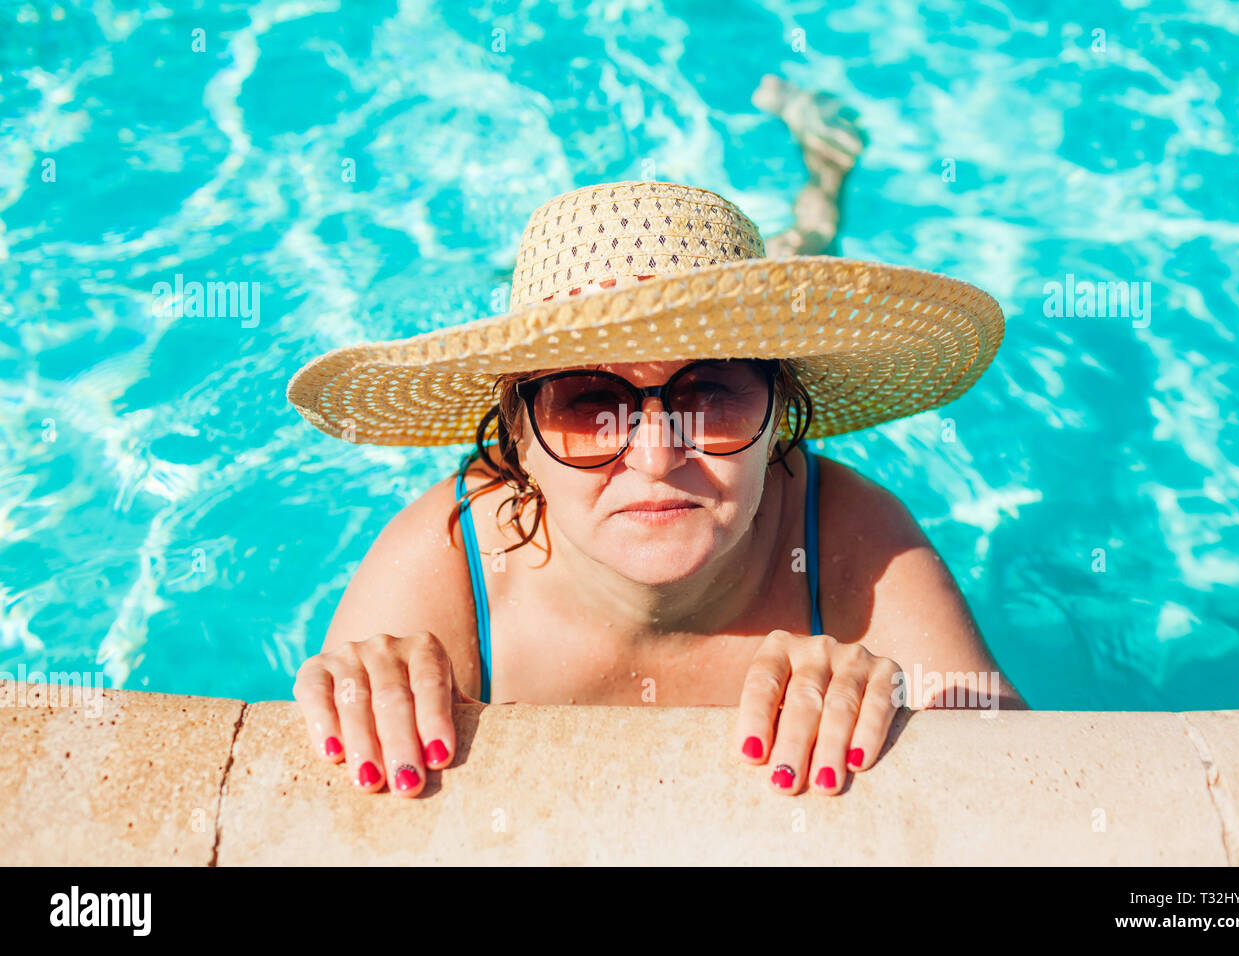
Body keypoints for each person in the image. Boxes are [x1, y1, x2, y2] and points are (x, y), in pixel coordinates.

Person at [286, 136, 1022, 801]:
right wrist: (369, 690)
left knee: (808, 240)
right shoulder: (450, 562)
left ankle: (824, 168)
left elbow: (1023, 781)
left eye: (710, 393)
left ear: (778, 418)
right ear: (519, 442)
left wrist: (900, 710)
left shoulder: (852, 538)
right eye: (588, 401)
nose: (656, 453)